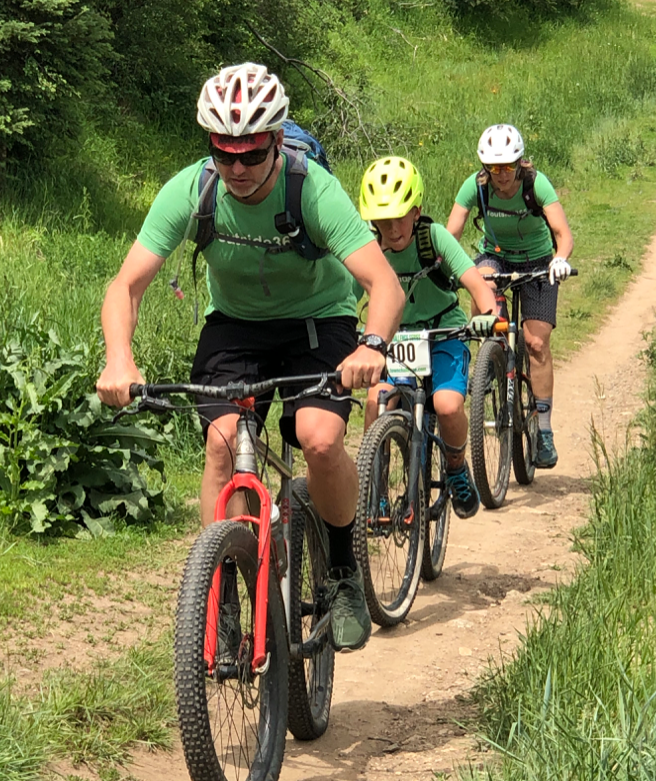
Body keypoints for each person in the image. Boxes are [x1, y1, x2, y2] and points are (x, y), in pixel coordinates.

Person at [96, 62, 406, 653]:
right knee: (221, 444)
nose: (236, 169)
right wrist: (119, 357)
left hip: (319, 324)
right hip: (235, 329)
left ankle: (342, 571)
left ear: (275, 141)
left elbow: (383, 284)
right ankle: (223, 595)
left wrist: (372, 344)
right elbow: (126, 286)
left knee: (318, 437)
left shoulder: (310, 186)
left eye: (251, 153)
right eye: (224, 153)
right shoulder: (192, 189)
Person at [358, 156, 499, 520]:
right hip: (395, 340)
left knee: (449, 405)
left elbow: (472, 279)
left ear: (416, 211)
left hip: (443, 333)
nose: (391, 228)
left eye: (399, 217)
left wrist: (487, 314)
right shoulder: (369, 250)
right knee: (376, 404)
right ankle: (376, 487)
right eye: (381, 220)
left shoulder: (432, 237)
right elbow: (343, 296)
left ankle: (455, 467)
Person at [446, 124, 574, 469]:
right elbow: (450, 234)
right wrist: (441, 265)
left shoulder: (536, 184)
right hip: (497, 256)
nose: (501, 175)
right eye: (494, 168)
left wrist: (560, 258)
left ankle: (543, 429)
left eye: (507, 167)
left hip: (538, 263)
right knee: (481, 281)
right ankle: (490, 357)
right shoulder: (475, 187)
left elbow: (562, 233)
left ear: (520, 163)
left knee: (535, 344)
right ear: (485, 167)